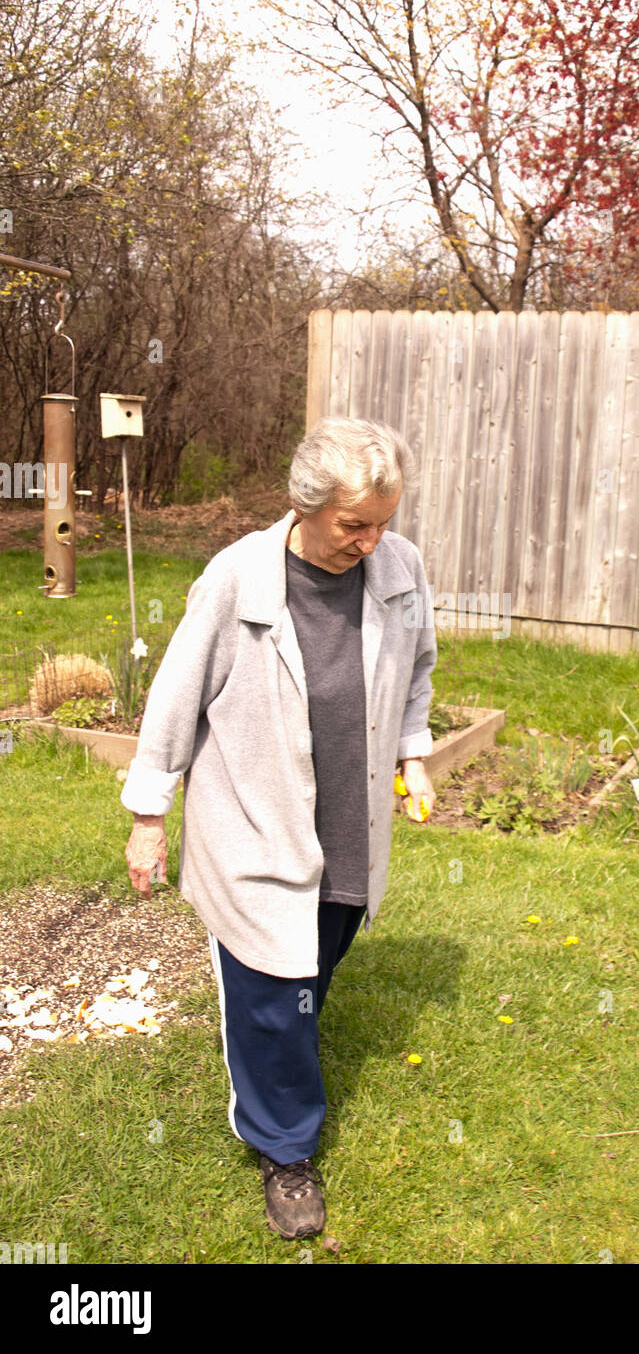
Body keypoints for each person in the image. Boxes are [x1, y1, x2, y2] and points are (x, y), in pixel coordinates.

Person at [121, 416, 437, 1240]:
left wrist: (414, 755)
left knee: (312, 968)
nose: (370, 541)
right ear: (305, 507)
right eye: (352, 525)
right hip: (253, 822)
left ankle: (283, 1062)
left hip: (347, 821)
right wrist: (148, 816)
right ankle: (285, 1147)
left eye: (382, 523)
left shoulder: (399, 569)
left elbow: (418, 670)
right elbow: (173, 697)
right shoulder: (237, 580)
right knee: (269, 992)